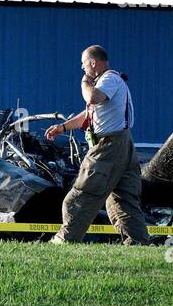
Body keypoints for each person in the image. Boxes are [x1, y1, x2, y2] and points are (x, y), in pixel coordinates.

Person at [45, 45, 149, 245]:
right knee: (123, 200)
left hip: (109, 147)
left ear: (93, 63)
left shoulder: (109, 79)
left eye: (84, 64)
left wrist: (85, 82)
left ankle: (65, 239)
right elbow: (90, 115)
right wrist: (63, 127)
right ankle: (138, 242)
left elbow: (92, 97)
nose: (83, 69)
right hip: (123, 146)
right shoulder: (107, 83)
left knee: (80, 196)